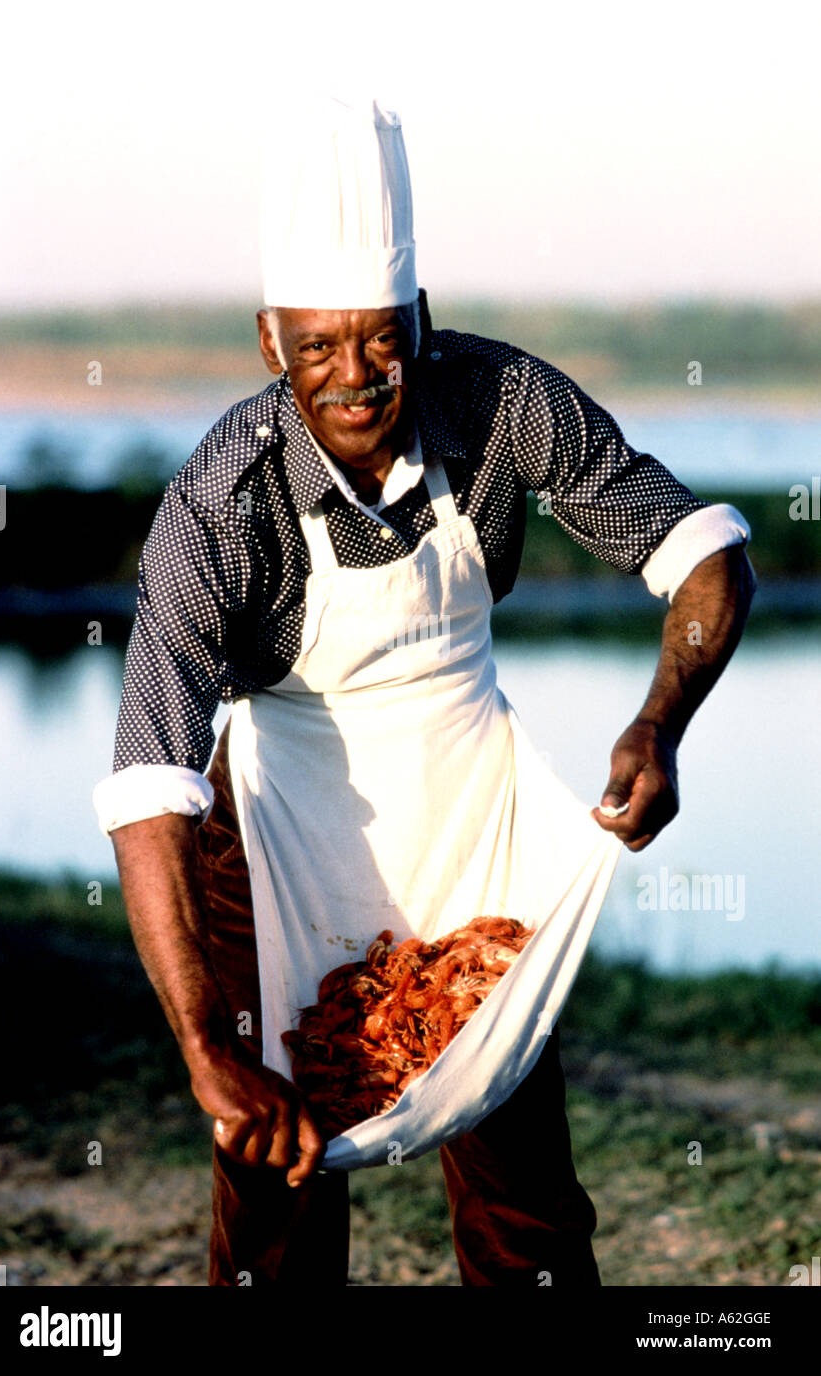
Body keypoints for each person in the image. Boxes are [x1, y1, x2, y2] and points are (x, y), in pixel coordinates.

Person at [94, 97, 755, 1286]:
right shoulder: (216, 503)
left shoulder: (501, 405)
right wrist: (202, 1047)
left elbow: (704, 552)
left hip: (473, 842)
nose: (355, 378)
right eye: (316, 349)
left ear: (420, 315)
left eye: (381, 338)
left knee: (525, 1202)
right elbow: (148, 778)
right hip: (279, 839)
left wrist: (659, 723)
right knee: (273, 1182)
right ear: (266, 341)